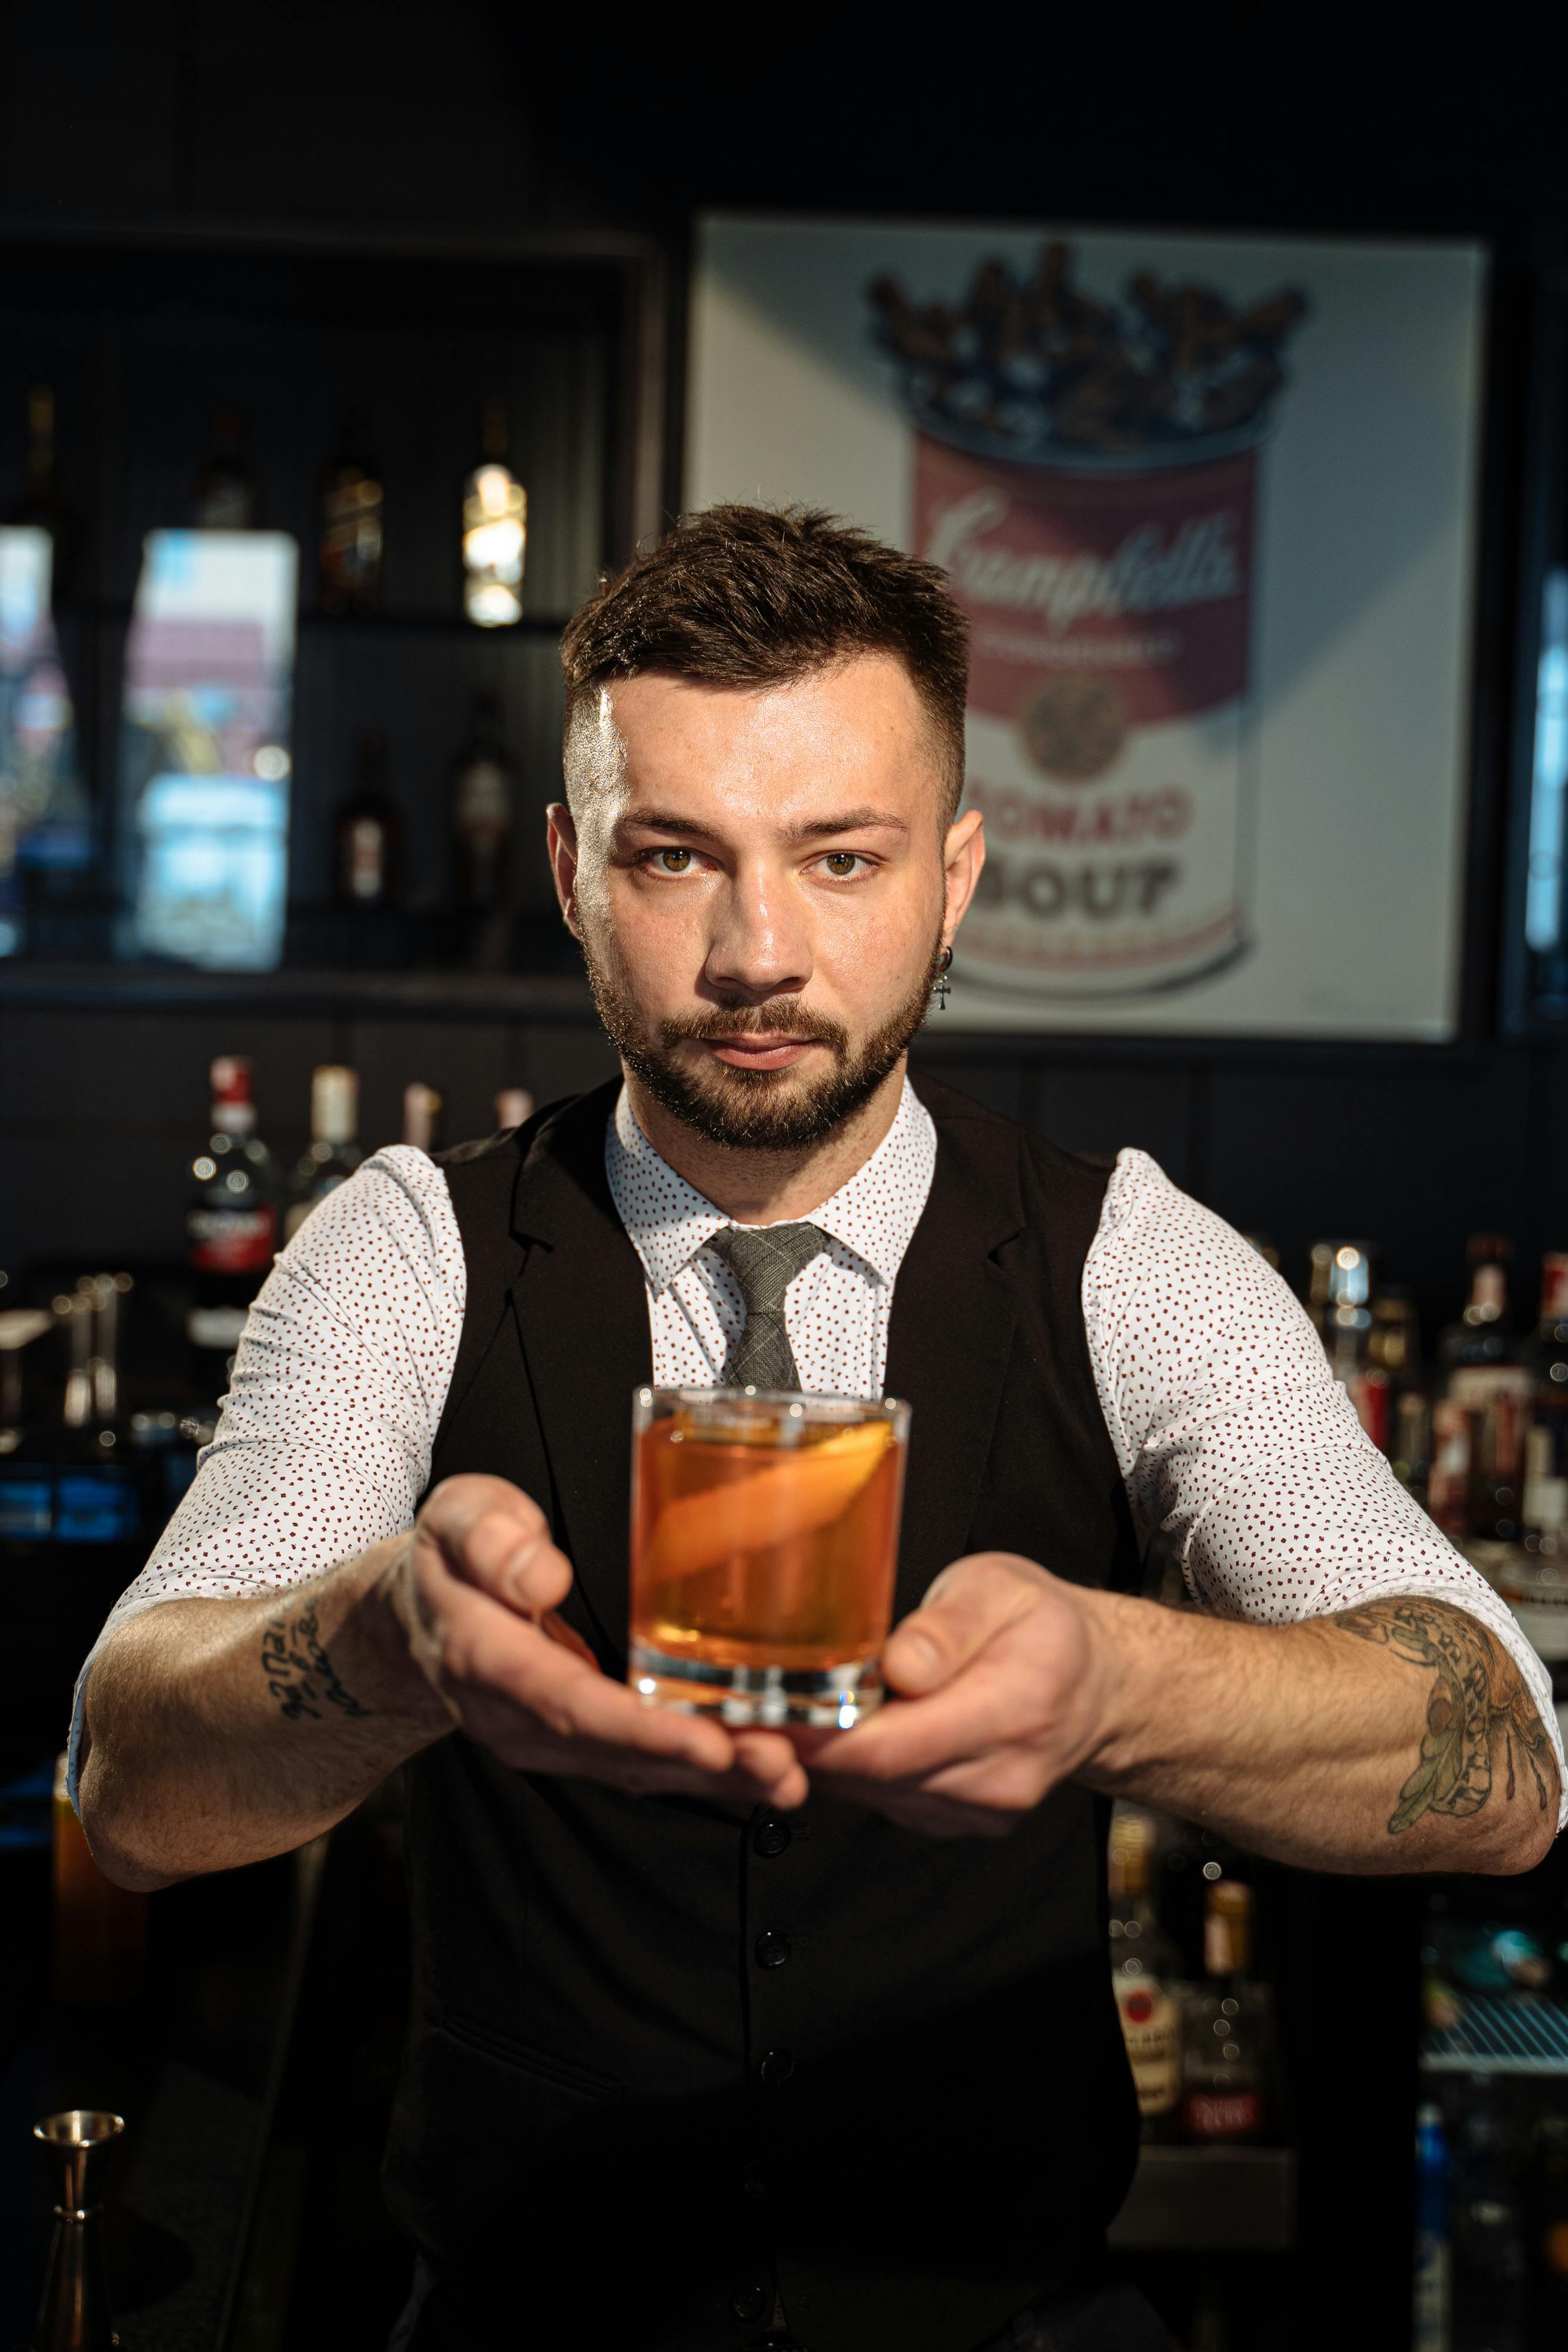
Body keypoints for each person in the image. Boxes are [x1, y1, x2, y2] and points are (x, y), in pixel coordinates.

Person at [76, 506, 1559, 2352]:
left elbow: (1505, 1759)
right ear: (570, 871)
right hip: (531, 2317)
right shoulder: (406, 1251)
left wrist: (1117, 1684)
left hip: (1005, 2317)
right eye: (673, 856)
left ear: (955, 878)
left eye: (841, 858)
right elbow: (128, 1791)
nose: (756, 952)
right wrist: (382, 1641)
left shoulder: (1130, 1261)